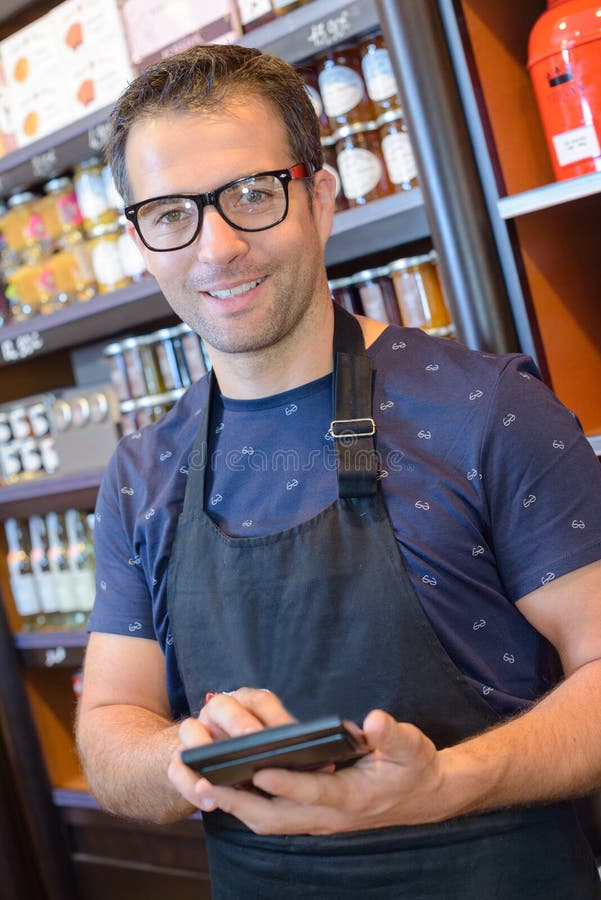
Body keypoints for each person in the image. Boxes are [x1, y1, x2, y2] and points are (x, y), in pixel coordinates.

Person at [76, 43, 601, 899]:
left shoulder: (486, 410)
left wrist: (446, 783)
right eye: (171, 212)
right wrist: (195, 753)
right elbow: (108, 731)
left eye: (252, 195)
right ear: (140, 239)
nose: (215, 248)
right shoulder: (143, 471)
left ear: (319, 199)